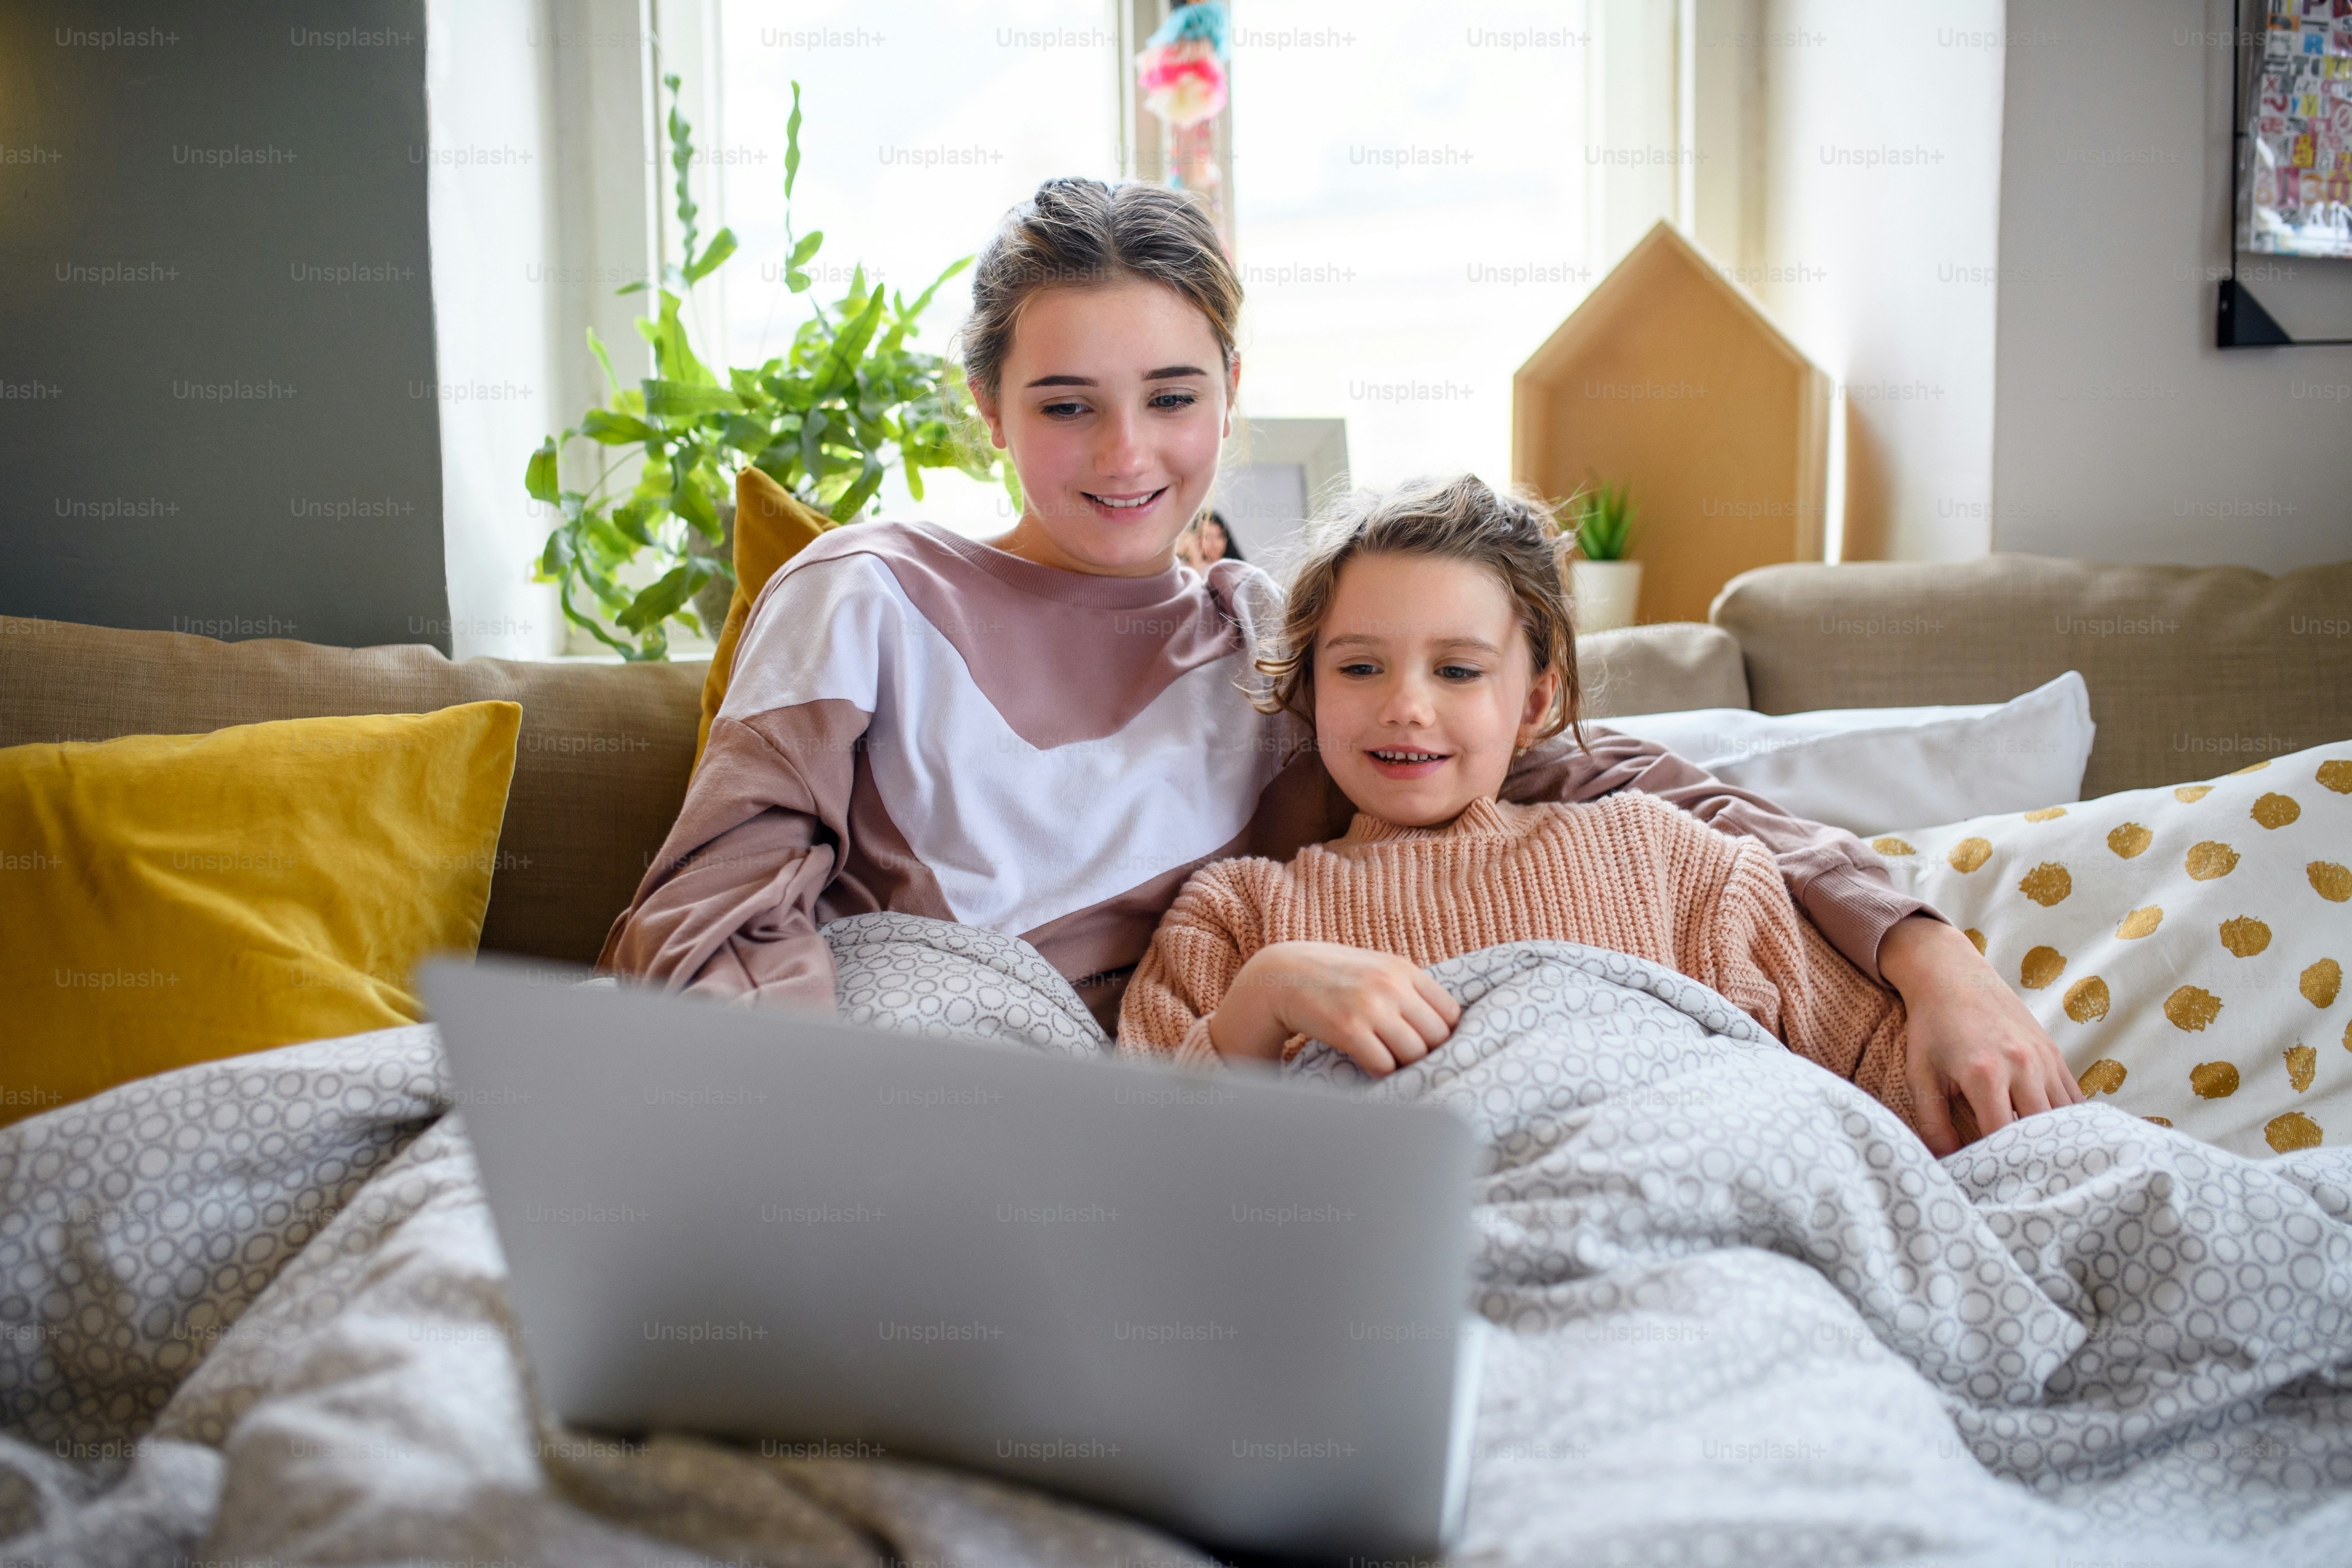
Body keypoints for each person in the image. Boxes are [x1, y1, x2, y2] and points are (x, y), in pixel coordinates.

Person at [600, 174, 2076, 1157]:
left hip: (1181, 1108)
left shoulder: (1288, 644)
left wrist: (1926, 951)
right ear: (986, 405)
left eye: (1171, 398)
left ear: (1230, 395)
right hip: (925, 1044)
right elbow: (716, 906)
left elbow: (1616, 784)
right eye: (1064, 405)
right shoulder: (865, 589)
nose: (1126, 459)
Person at [1115, 475, 2072, 1145]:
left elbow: (1873, 1082)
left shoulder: (1664, 851)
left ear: (1534, 702)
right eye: (1360, 666)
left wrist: (1954, 997)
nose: (1406, 703)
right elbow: (1143, 1174)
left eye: (1457, 669)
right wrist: (1259, 1002)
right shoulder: (1236, 915)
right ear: (1309, 691)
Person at [1177, 509, 1244, 571]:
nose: (1214, 544)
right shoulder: (1186, 569)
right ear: (1196, 538)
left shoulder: (1237, 570)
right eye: (1207, 537)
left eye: (1220, 536)